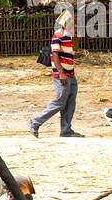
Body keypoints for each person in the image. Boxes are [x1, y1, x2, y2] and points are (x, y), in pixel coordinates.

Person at [29, 7, 83, 137]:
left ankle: (66, 130)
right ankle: (35, 123)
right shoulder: (58, 35)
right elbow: (54, 55)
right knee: (60, 102)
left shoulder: (71, 36)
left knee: (70, 102)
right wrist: (61, 72)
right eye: (72, 21)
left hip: (70, 73)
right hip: (62, 74)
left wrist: (80, 53)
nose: (75, 23)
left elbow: (72, 53)